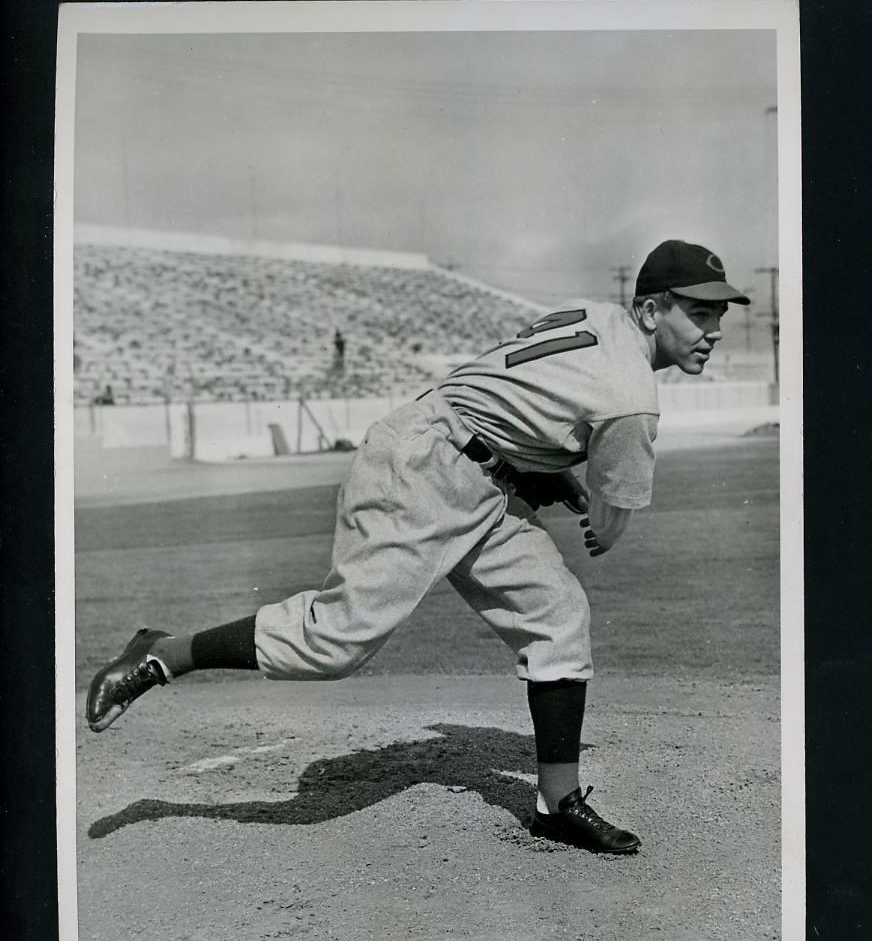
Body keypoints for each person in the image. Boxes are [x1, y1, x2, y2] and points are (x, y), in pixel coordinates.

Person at [86, 240, 749, 854]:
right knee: (335, 642)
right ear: (651, 310)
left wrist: (542, 466)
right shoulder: (634, 393)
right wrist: (587, 497)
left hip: (477, 472)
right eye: (698, 313)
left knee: (557, 614)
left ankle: (556, 801)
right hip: (425, 469)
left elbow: (512, 389)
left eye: (718, 313)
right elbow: (610, 522)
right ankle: (164, 652)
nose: (713, 330)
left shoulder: (596, 317)